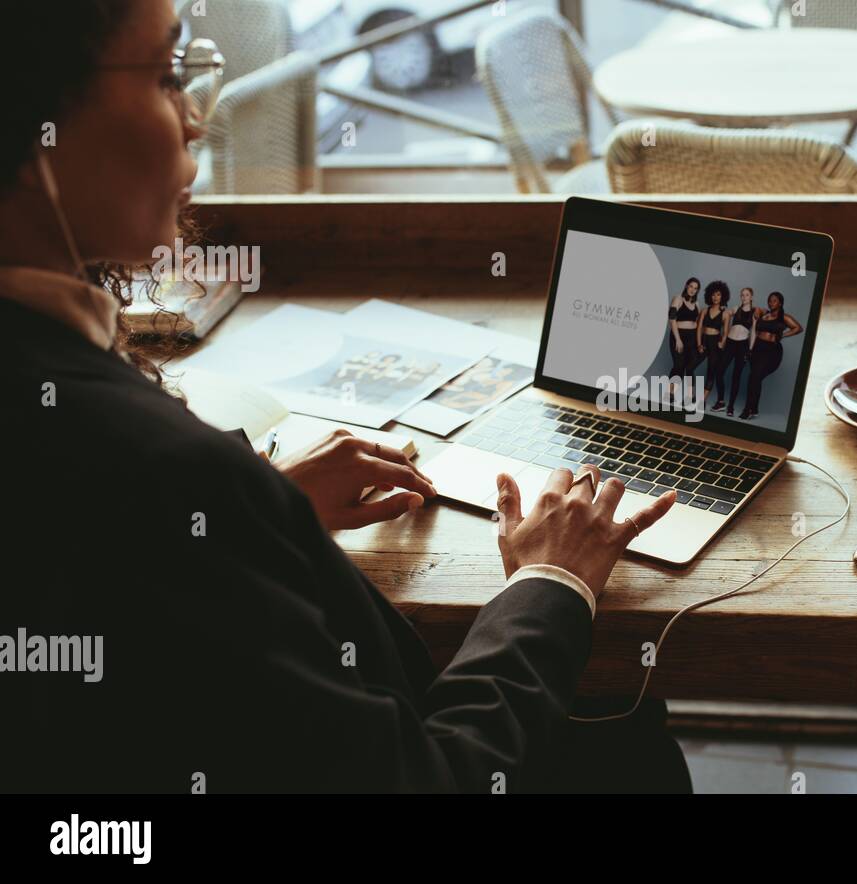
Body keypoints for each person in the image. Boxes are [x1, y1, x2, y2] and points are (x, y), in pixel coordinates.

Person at [0, 0, 689, 793]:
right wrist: (551, 584)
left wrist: (257, 516)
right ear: (28, 122)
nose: (195, 123)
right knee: (626, 737)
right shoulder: (161, 472)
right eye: (163, 76)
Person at [740, 292, 803, 421]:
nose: (771, 303)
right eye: (769, 300)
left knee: (754, 378)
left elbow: (798, 328)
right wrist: (749, 349)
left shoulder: (784, 317)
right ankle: (754, 409)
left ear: (780, 303)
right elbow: (755, 325)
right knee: (754, 379)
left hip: (771, 352)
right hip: (757, 348)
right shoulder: (764, 314)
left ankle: (748, 409)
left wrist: (783, 336)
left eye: (774, 301)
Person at [715, 286, 756, 415]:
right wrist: (723, 309)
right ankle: (721, 401)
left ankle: (730, 407)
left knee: (736, 377)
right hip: (730, 343)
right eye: (742, 295)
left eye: (747, 295)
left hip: (743, 346)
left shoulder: (755, 312)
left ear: (751, 297)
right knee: (719, 371)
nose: (744, 297)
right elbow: (725, 314)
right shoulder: (735, 308)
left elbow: (753, 332)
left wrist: (750, 350)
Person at [697, 280, 730, 409]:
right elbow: (699, 327)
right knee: (690, 366)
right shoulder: (705, 310)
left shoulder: (725, 313)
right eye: (713, 295)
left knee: (711, 372)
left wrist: (722, 342)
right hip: (704, 341)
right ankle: (693, 393)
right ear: (709, 296)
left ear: (723, 297)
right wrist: (699, 344)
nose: (715, 297)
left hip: (715, 344)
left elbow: (726, 331)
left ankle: (702, 400)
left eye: (718, 295)